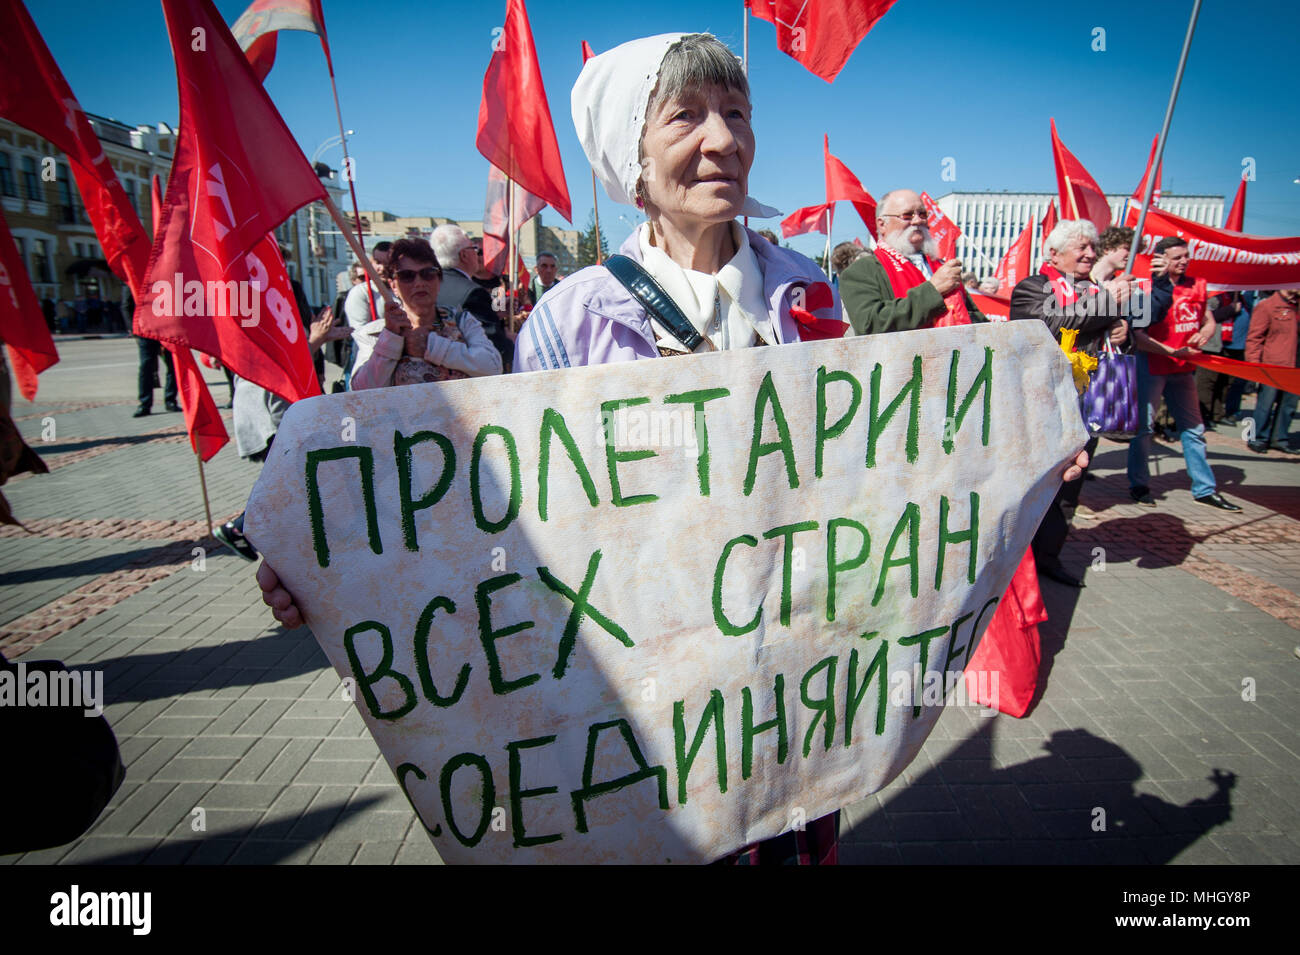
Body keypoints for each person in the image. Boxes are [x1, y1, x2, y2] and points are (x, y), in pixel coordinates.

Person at [257, 31, 1088, 864]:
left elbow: (881, 466)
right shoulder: (572, 320)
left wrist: (1018, 445)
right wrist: (342, 569)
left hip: (794, 688)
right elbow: (502, 515)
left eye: (737, 112)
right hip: (646, 715)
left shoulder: (811, 295)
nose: (723, 139)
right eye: (686, 116)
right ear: (635, 157)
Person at [1009, 219, 1130, 587]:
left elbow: (1115, 339)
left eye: (1093, 248)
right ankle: (1017, 563)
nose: (1091, 254)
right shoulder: (1033, 287)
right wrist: (1108, 305)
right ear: (1054, 254)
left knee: (1070, 486)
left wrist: (1123, 332)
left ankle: (1049, 558)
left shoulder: (1098, 291)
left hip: (1087, 404)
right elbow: (1053, 323)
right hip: (1040, 405)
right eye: (1082, 248)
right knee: (1033, 484)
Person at [213, 307, 352, 560]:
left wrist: (316, 340)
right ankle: (241, 528)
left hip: (278, 412)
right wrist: (314, 341)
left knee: (295, 483)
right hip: (271, 413)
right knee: (298, 480)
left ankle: (243, 529)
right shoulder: (259, 309)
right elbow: (278, 366)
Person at [1126, 237, 1241, 511]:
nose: (1184, 261)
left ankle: (1204, 489)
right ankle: (1139, 485)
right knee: (1144, 428)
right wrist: (1171, 351)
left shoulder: (1197, 285)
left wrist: (1206, 333)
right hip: (1152, 366)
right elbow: (1137, 335)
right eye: (1177, 257)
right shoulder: (1146, 289)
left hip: (1183, 369)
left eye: (1186, 256)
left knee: (1194, 429)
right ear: (1161, 259)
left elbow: (1208, 320)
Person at [349, 236, 501, 390]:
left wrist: (432, 346)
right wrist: (390, 339)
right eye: (406, 276)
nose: (419, 282)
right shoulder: (375, 334)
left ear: (439, 280)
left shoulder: (462, 321)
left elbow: (493, 367)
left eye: (428, 273)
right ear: (393, 285)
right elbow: (361, 390)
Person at [839, 189, 986, 334]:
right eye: (907, 215)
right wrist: (933, 291)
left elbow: (973, 317)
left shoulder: (941, 266)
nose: (918, 220)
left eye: (922, 214)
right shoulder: (862, 270)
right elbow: (869, 324)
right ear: (882, 224)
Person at [432, 224, 513, 370]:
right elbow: (494, 346)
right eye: (474, 249)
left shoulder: (431, 284)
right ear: (464, 255)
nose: (477, 254)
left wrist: (494, 315)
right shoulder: (473, 293)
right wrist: (514, 342)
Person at [1244, 288, 1299, 454]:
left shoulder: (1296, 306)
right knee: (1265, 404)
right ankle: (1257, 438)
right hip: (1273, 364)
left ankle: (1279, 439)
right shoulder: (1267, 306)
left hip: (1295, 365)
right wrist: (1254, 366)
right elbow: (1254, 338)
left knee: (1289, 405)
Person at [132, 334, 179, 417]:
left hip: (167, 332)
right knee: (145, 367)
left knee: (173, 365)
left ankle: (170, 400)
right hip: (146, 333)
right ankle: (144, 404)